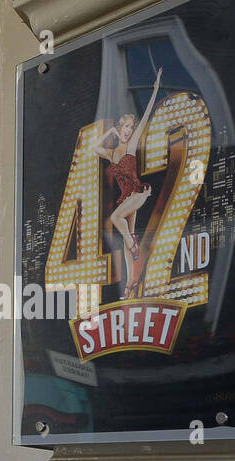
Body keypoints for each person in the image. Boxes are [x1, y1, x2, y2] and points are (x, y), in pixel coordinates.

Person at [95, 68, 163, 298]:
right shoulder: (112, 153)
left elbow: (144, 119)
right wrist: (110, 131)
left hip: (137, 193)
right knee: (125, 246)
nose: (128, 132)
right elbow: (95, 147)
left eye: (129, 129)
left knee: (115, 218)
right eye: (124, 128)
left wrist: (154, 90)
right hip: (126, 198)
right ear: (119, 130)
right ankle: (130, 286)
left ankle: (134, 245)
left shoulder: (132, 145)